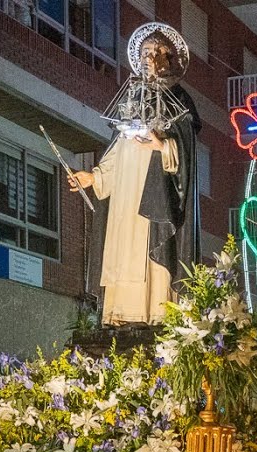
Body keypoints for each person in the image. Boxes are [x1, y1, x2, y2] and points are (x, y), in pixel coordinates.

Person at [68, 23, 200, 326]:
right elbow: (118, 147)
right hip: (126, 189)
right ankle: (123, 316)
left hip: (155, 190)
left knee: (146, 244)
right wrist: (95, 177)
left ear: (168, 57)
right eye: (144, 52)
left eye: (155, 52)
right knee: (123, 245)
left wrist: (162, 144)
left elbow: (187, 148)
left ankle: (153, 313)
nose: (149, 58)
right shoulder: (130, 97)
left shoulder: (178, 97)